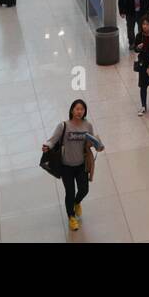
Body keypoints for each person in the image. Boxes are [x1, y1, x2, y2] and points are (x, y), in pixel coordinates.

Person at [42, 99, 103, 232]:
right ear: (71, 110)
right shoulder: (63, 126)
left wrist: (97, 145)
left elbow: (91, 141)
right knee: (69, 192)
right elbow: (53, 140)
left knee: (84, 189)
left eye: (82, 109)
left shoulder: (88, 126)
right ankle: (71, 217)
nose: (79, 111)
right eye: (77, 109)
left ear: (84, 111)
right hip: (66, 166)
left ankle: (76, 202)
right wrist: (47, 146)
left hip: (81, 165)